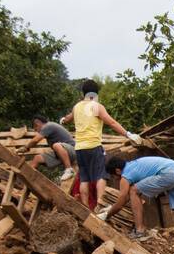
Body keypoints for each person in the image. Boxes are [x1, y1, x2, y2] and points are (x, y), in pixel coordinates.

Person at [60, 79, 142, 209]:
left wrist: (63, 120)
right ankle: (100, 204)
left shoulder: (77, 107)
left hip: (80, 148)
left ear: (83, 93)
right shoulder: (96, 106)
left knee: (84, 178)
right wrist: (128, 134)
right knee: (100, 176)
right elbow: (112, 123)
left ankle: (85, 207)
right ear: (96, 93)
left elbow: (68, 118)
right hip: (93, 146)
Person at [98, 155, 174, 253]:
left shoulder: (126, 175)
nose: (115, 180)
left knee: (133, 190)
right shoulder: (135, 166)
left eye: (113, 177)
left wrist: (106, 215)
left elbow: (121, 202)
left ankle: (140, 230)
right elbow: (126, 198)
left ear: (117, 171)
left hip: (168, 173)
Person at [24, 114, 75, 181]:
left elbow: (35, 140)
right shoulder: (48, 127)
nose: (36, 131)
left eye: (35, 128)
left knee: (56, 145)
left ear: (37, 123)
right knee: (37, 158)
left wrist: (25, 147)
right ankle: (26, 179)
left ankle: (69, 169)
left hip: (72, 150)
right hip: (61, 152)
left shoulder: (48, 126)